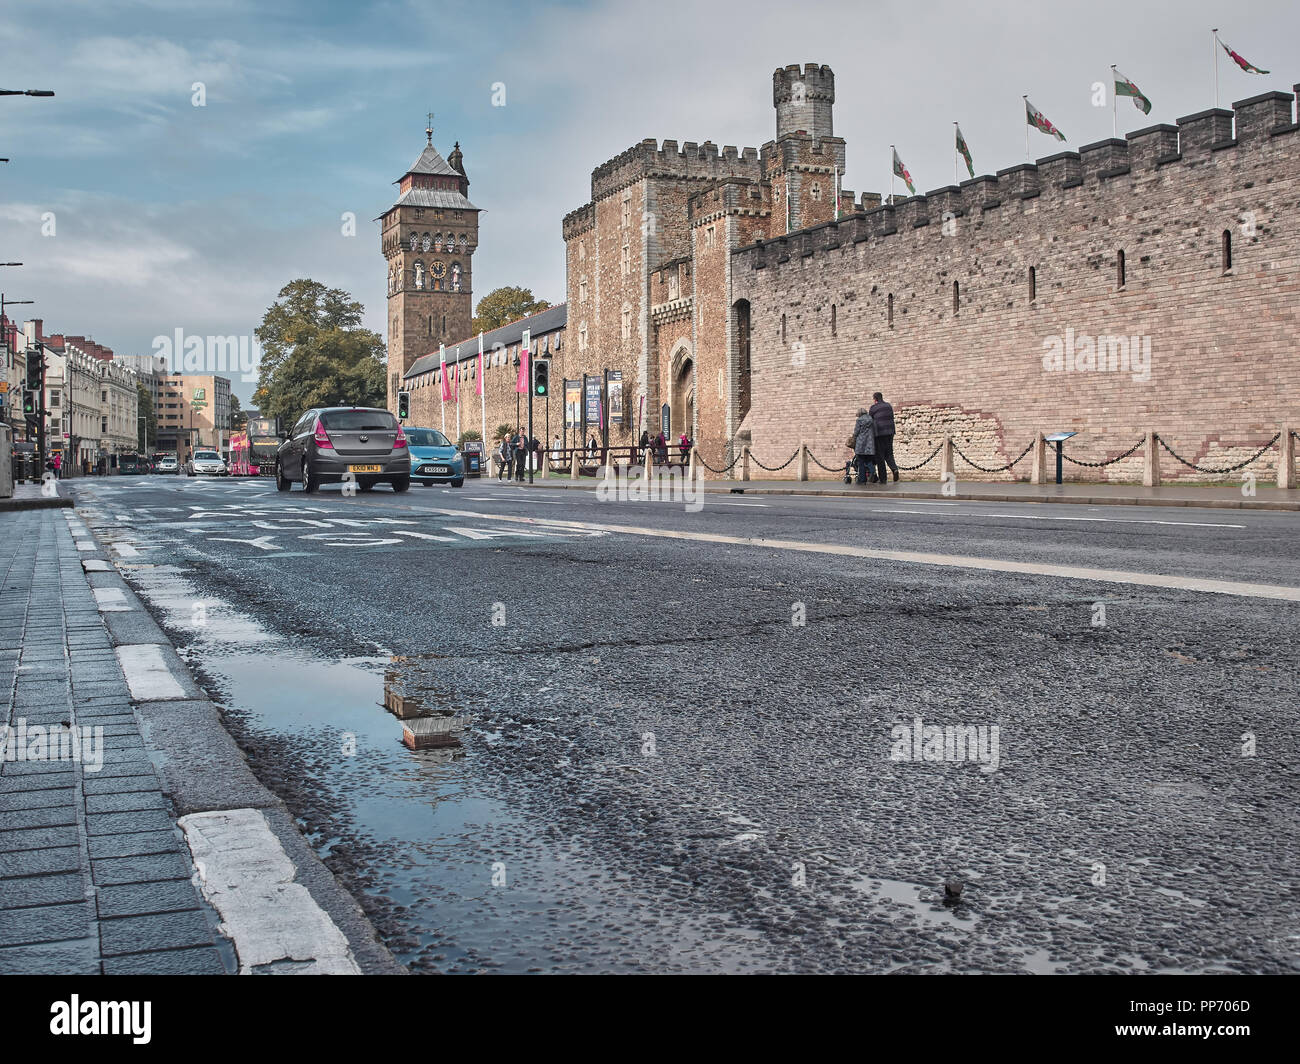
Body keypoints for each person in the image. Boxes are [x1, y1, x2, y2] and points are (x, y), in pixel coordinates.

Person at [869, 391, 899, 483]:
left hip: (879, 434)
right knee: (889, 453)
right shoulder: (888, 406)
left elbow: (870, 420)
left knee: (880, 456)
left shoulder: (873, 408)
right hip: (890, 432)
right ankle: (894, 469)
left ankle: (883, 479)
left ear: (875, 399)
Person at [850, 407, 877, 485]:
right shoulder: (871, 419)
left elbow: (856, 432)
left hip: (861, 443)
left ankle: (862, 480)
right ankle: (873, 472)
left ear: (859, 414)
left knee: (861, 462)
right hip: (870, 443)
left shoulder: (859, 420)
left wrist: (853, 437)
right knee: (868, 460)